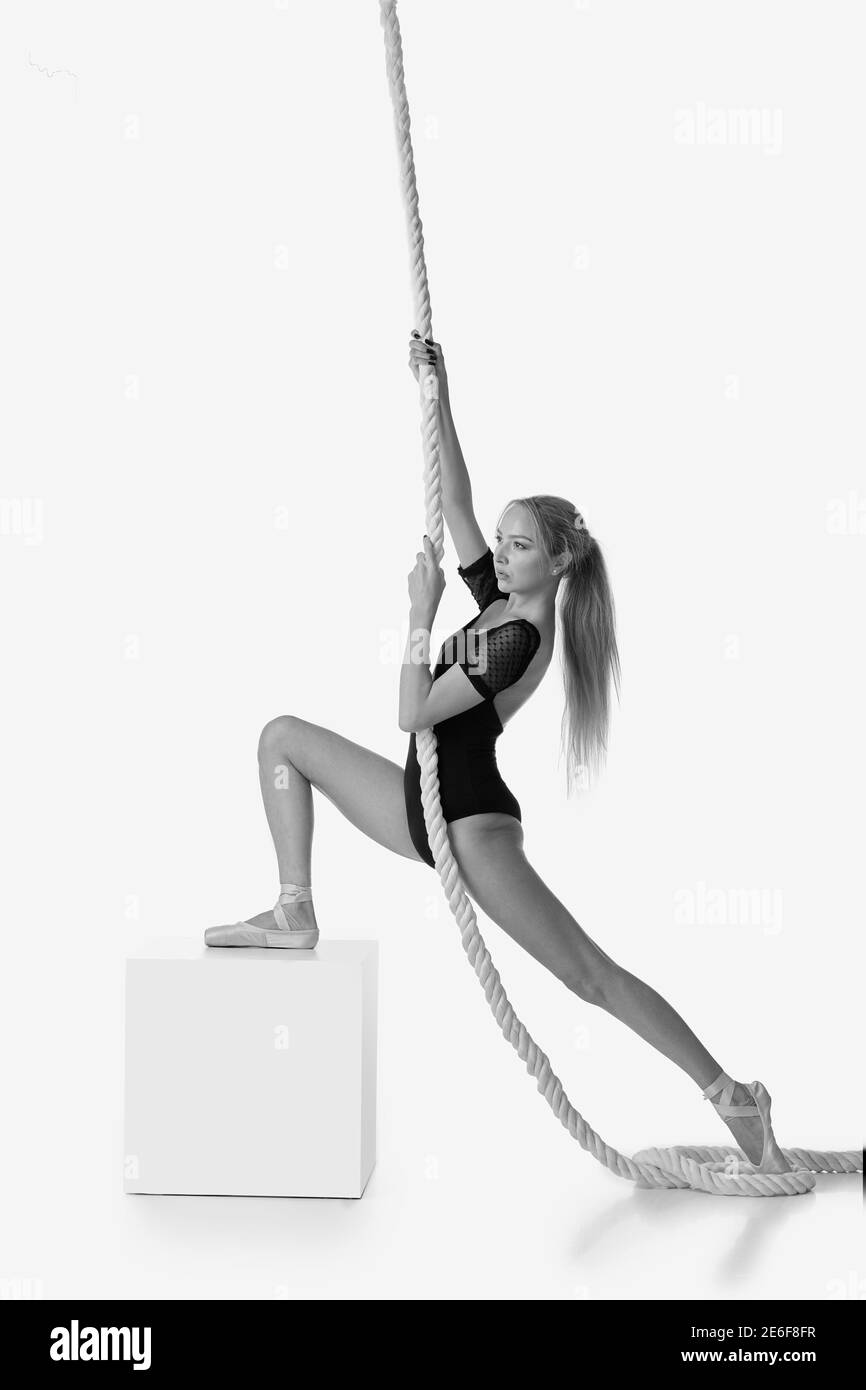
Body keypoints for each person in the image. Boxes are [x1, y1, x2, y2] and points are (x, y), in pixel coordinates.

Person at [205, 333, 792, 1176]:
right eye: (507, 542)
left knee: (590, 976)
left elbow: (411, 709)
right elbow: (458, 506)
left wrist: (417, 606)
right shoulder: (503, 600)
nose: (501, 552)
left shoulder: (518, 633)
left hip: (471, 824)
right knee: (282, 739)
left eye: (519, 546)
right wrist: (436, 394)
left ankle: (734, 1094)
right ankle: (295, 906)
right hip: (421, 805)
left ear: (555, 563)